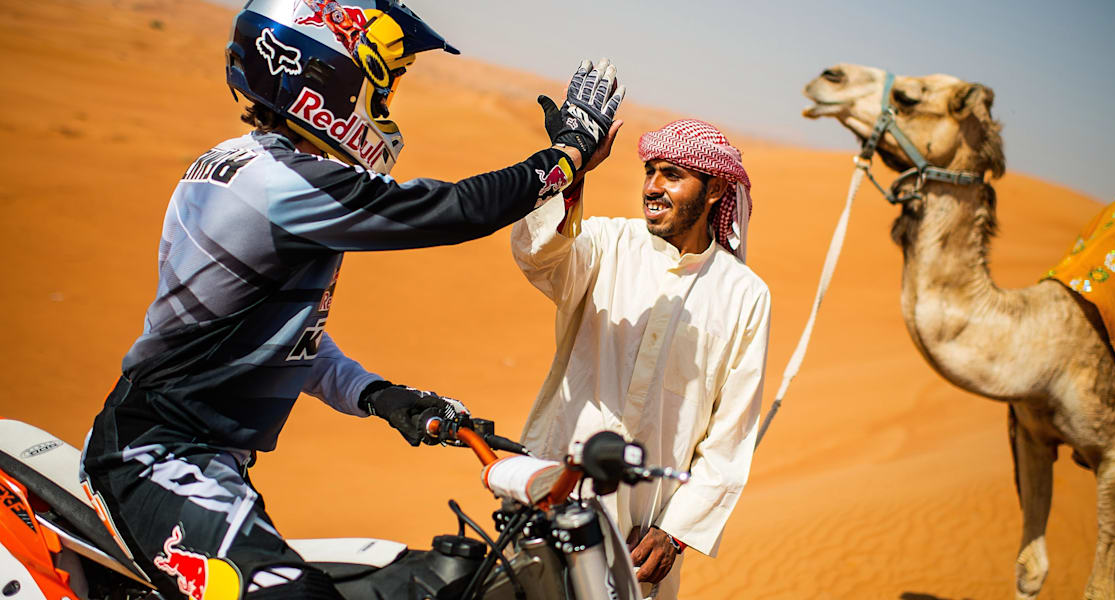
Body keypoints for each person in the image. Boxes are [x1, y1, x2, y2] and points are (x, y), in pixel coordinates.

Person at [78, 1, 624, 598]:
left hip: (195, 457)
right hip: (158, 458)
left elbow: (276, 335)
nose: (381, 108)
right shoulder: (280, 184)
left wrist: (378, 395)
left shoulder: (246, 165)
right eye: (377, 87)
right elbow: (445, 212)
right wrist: (568, 155)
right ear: (321, 76)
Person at [512, 118, 771, 599]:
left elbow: (730, 435)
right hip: (556, 493)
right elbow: (538, 254)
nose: (652, 187)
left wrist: (676, 532)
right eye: (649, 171)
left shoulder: (744, 295)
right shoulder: (607, 244)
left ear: (715, 188)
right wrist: (568, 164)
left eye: (672, 174)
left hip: (643, 534)